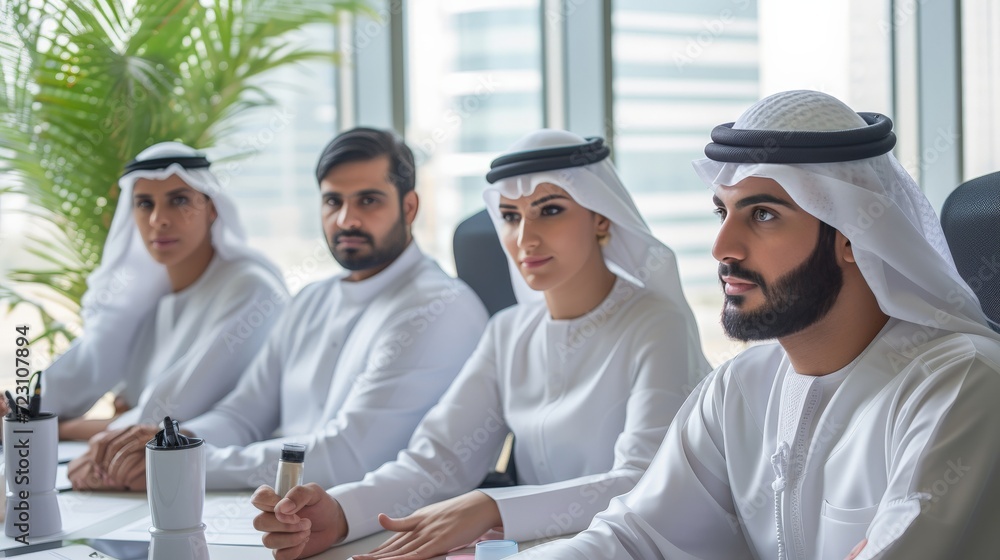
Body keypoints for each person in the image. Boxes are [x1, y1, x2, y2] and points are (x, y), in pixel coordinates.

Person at [511, 90, 1000, 560]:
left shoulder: (961, 385)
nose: (723, 247)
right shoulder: (738, 388)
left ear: (855, 232)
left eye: (763, 214)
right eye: (722, 212)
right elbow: (634, 538)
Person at [250, 129, 712, 560]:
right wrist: (339, 513)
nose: (525, 238)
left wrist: (493, 507)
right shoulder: (508, 331)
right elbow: (437, 462)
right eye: (510, 217)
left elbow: (640, 484)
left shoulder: (657, 324)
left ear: (601, 220)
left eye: (550, 210)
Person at [69, 127, 489, 493]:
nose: (347, 219)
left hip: (370, 529)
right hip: (276, 510)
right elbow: (242, 416)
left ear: (409, 207)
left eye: (368, 201)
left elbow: (348, 456)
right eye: (333, 202)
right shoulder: (311, 300)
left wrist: (183, 466)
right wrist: (170, 446)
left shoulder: (438, 307)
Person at [7, 142, 288, 443]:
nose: (158, 220)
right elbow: (89, 365)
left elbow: (165, 418)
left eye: (179, 200)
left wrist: (50, 429)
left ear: (213, 209)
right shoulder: (148, 292)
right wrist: (19, 410)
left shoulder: (251, 289)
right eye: (144, 204)